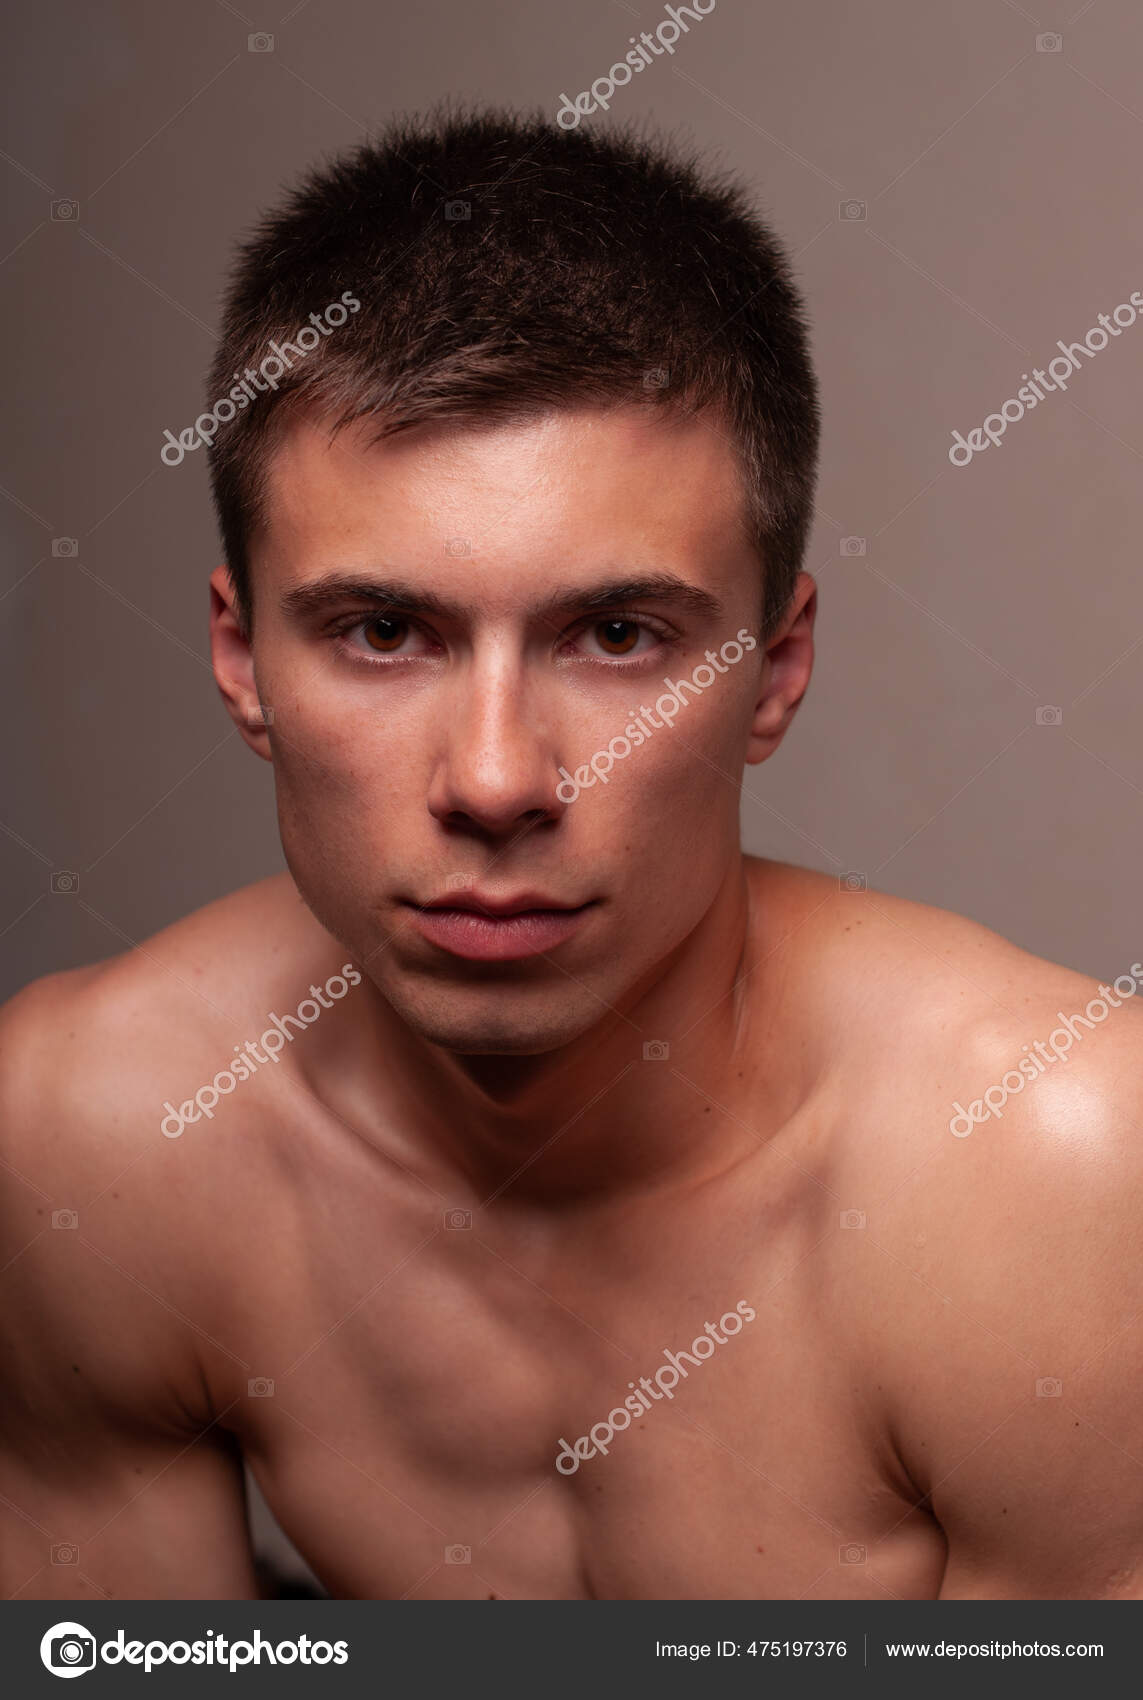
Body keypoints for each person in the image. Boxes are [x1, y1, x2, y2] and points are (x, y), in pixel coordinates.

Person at [2, 105, 1141, 1603]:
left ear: (775, 670)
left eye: (617, 636)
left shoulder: (1051, 1178)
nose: (492, 780)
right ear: (240, 661)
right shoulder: (86, 1139)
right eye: (384, 632)